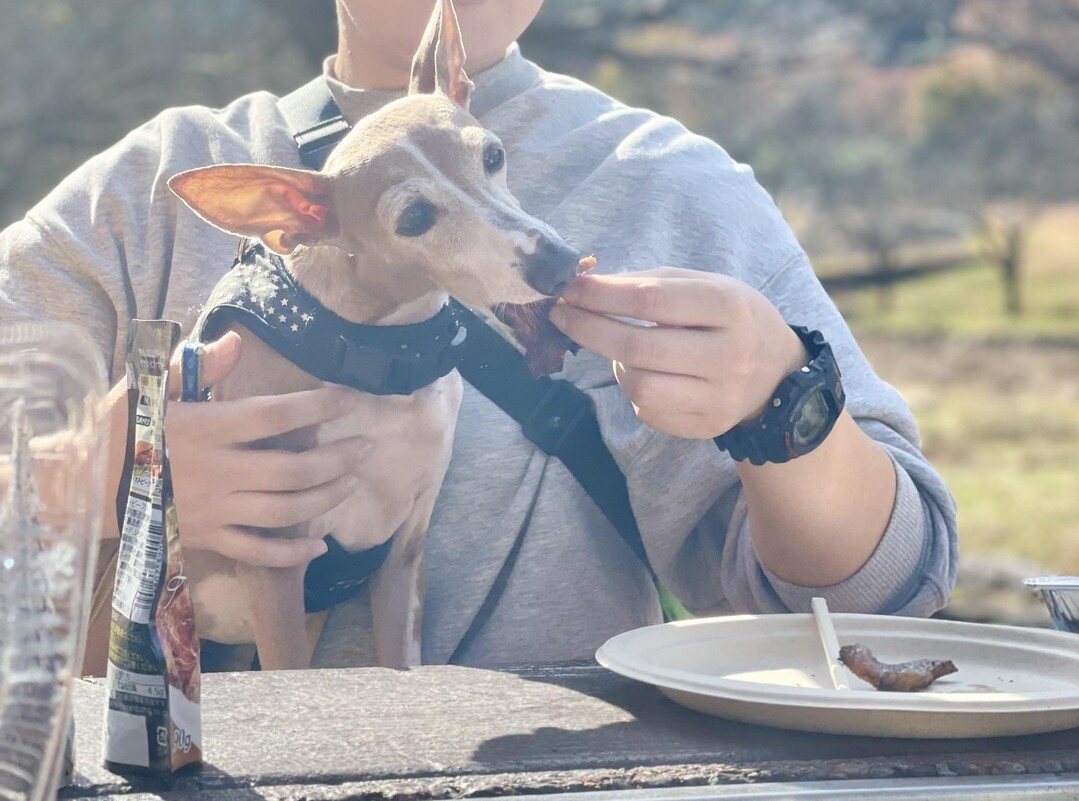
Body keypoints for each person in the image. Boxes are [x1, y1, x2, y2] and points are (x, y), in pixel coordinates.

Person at [0, 0, 958, 672]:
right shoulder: (149, 196)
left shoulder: (669, 188)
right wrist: (86, 476)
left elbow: (888, 607)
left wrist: (783, 402)